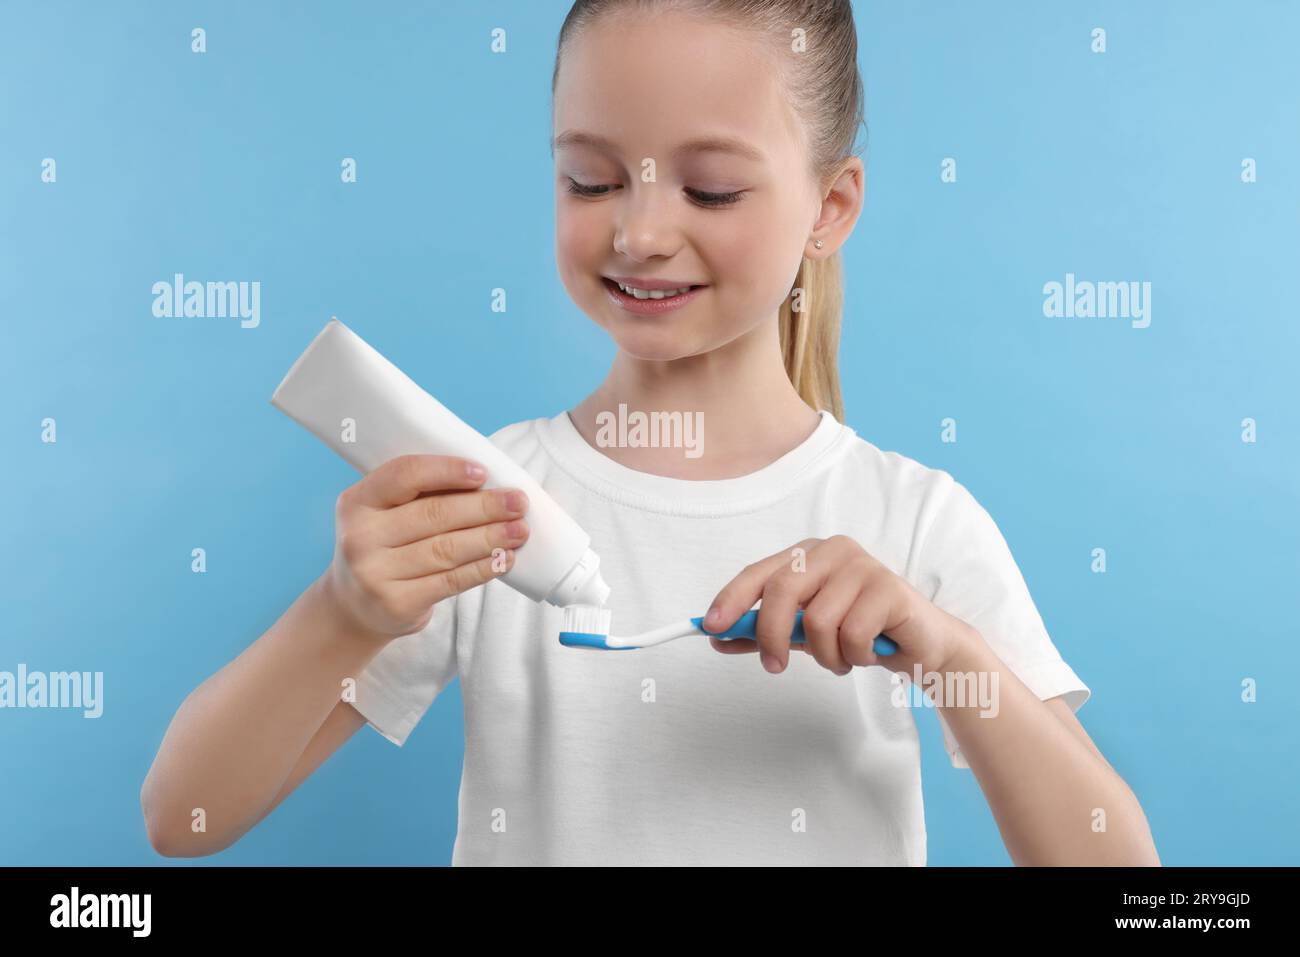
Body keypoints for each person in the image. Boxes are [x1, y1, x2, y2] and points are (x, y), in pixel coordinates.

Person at [141, 0, 1159, 866]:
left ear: (831, 206)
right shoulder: (492, 501)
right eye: (590, 179)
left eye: (709, 188)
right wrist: (345, 612)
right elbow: (181, 818)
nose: (637, 232)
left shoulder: (912, 522)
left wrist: (939, 649)